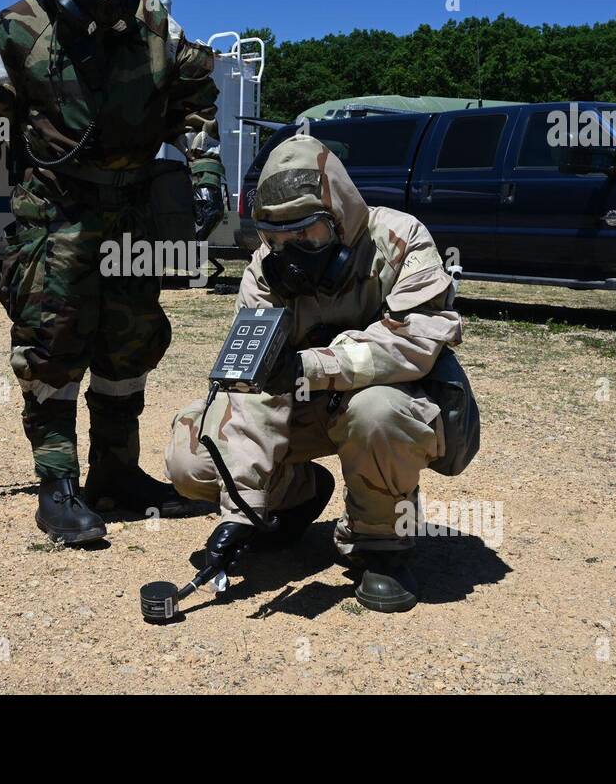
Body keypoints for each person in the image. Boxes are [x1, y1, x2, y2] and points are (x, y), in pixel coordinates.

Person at [0, 0, 226, 545]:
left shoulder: (154, 28)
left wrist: (206, 176)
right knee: (52, 346)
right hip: (54, 217)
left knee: (131, 340)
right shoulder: (16, 32)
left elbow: (195, 96)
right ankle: (57, 487)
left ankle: (117, 473)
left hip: (131, 216)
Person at [164, 133, 474, 612]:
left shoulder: (399, 239)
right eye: (274, 237)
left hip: (387, 405)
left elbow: (413, 343)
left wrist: (310, 365)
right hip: (308, 406)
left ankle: (381, 544)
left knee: (377, 411)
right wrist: (242, 508)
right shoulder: (265, 272)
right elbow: (252, 383)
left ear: (341, 222)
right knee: (194, 454)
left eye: (306, 233)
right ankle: (291, 501)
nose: (288, 250)